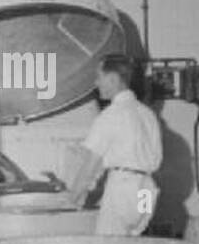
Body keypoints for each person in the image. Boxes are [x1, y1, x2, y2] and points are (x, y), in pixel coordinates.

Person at [67, 55, 163, 234]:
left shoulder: (111, 115)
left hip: (123, 188)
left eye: (99, 77)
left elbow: (90, 166)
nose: (96, 83)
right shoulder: (147, 114)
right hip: (147, 190)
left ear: (112, 79)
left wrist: (73, 197)